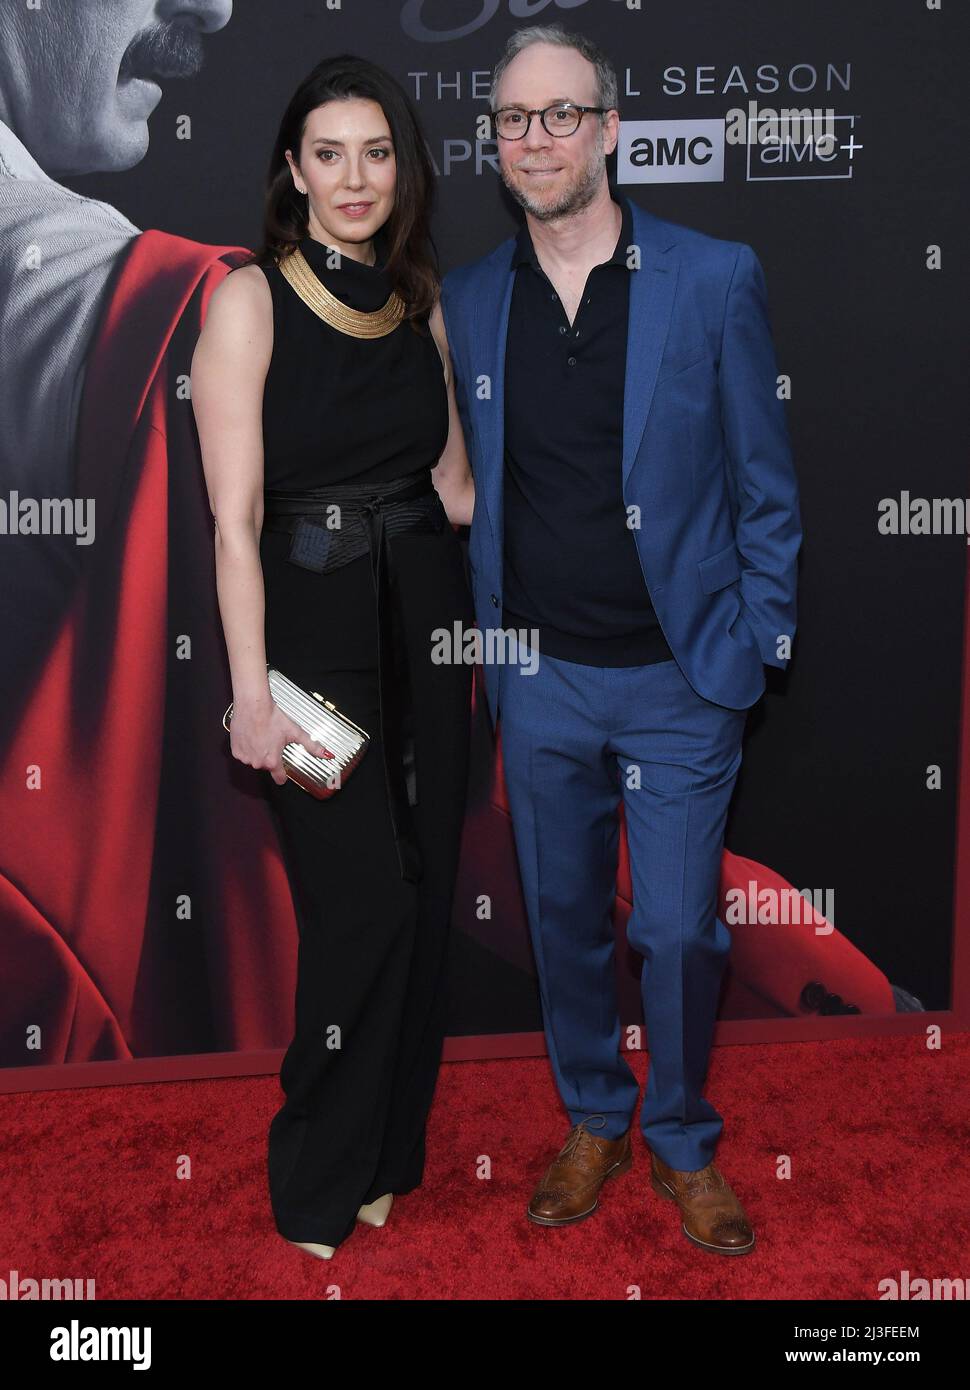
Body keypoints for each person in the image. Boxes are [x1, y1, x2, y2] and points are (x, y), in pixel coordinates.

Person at [440, 25, 801, 1254]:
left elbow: (766, 481)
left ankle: (683, 1138)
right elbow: (461, 480)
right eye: (513, 120)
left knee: (681, 928)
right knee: (563, 921)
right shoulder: (475, 300)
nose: (535, 138)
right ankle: (594, 1113)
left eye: (559, 114)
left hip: (681, 679)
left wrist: (757, 641)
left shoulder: (712, 278)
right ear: (496, 146)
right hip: (538, 681)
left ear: (606, 128)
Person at [190, 55, 475, 1259]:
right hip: (310, 643)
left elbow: (455, 491)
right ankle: (316, 1172)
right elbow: (233, 520)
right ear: (292, 171)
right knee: (359, 908)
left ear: (399, 169)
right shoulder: (246, 299)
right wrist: (249, 696)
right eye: (330, 153)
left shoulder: (421, 300)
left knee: (421, 900)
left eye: (376, 152)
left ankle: (383, 1158)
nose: (355, 176)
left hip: (427, 618)